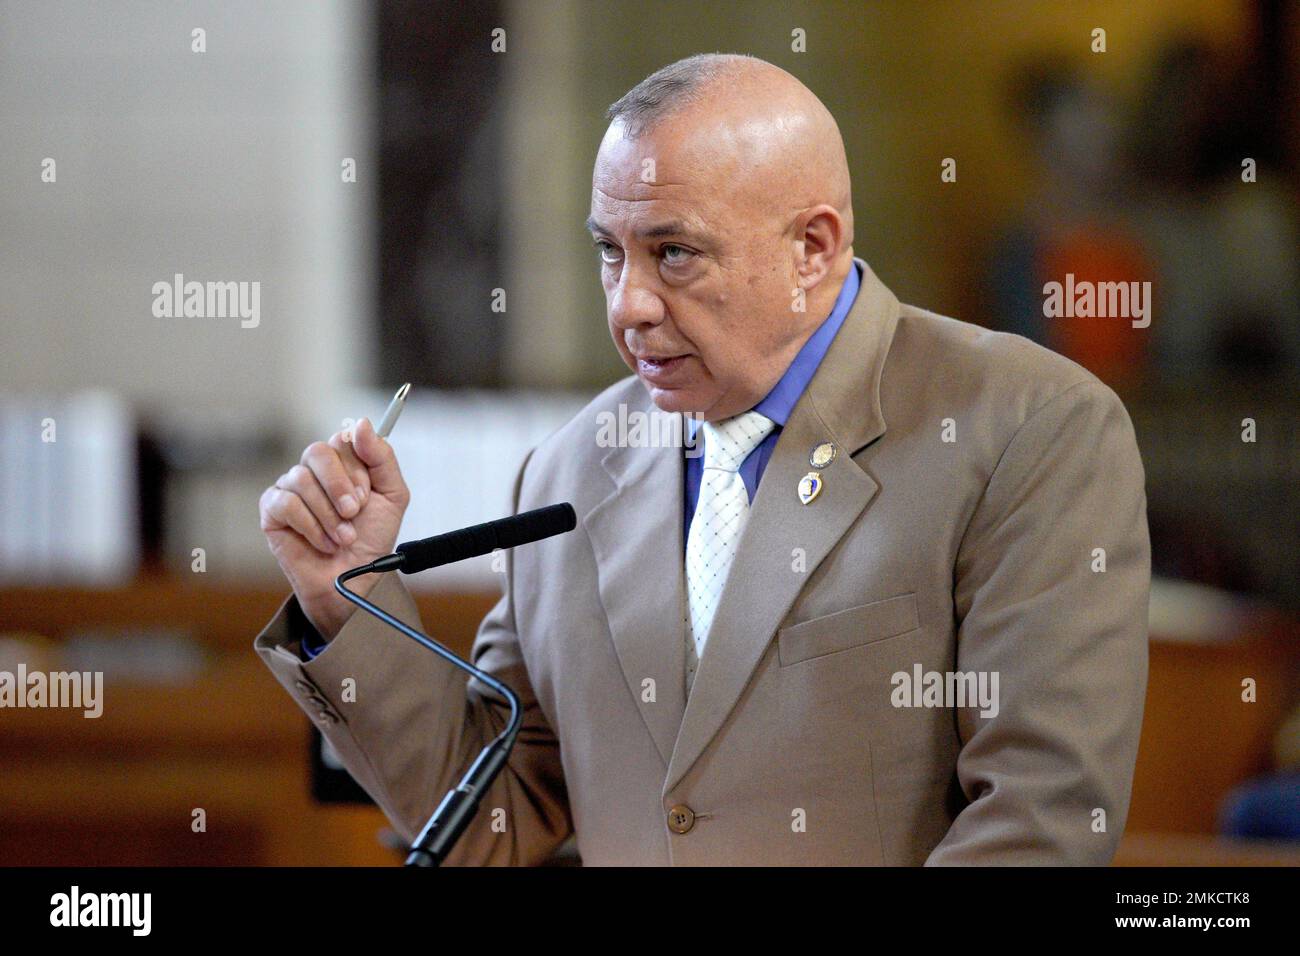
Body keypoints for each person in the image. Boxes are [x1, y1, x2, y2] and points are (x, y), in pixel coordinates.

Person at [255, 53, 1151, 865]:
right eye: (610, 253)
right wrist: (346, 601)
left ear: (812, 248)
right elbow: (491, 816)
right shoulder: (570, 469)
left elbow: (1038, 825)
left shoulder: (1029, 428)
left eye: (674, 253)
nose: (629, 305)